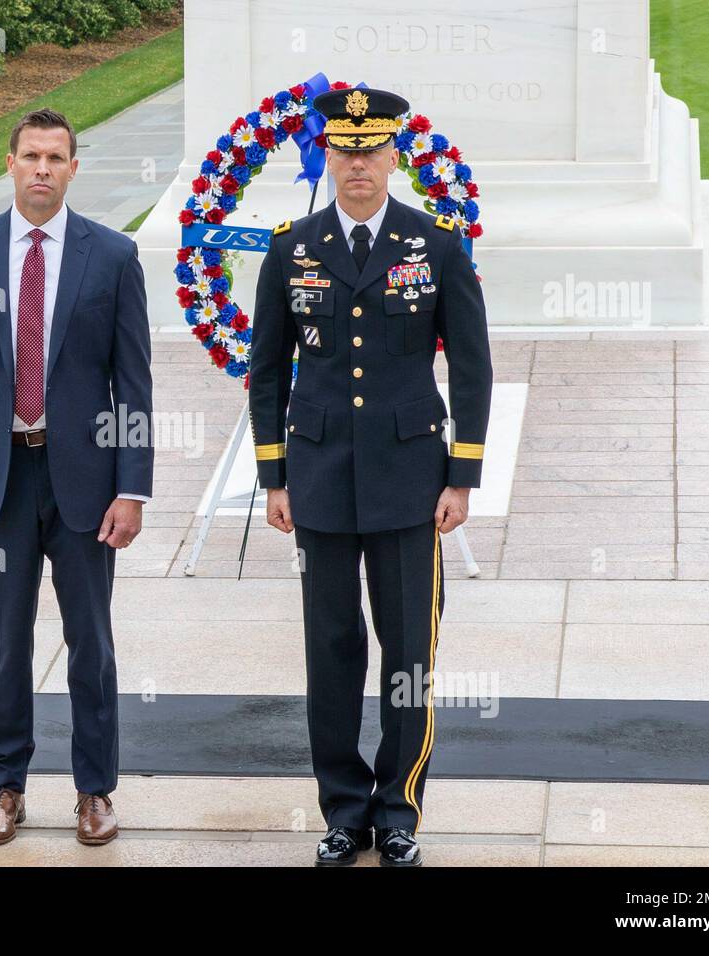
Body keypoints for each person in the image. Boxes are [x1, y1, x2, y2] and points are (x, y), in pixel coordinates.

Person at [247, 85, 493, 866]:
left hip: (409, 480)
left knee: (408, 657)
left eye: (372, 150)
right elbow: (266, 373)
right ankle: (343, 810)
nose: (358, 164)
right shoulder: (292, 247)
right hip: (319, 477)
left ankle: (398, 811)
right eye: (345, 150)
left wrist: (461, 476)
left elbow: (475, 371)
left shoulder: (438, 246)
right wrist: (274, 477)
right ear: (328, 154)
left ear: (395, 155)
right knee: (331, 648)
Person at [0, 108, 154, 847]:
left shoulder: (112, 255)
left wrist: (132, 487)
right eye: (32, 156)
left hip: (85, 485)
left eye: (57, 157)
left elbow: (134, 385)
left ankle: (94, 791)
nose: (44, 169)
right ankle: (5, 785)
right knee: (5, 644)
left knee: (91, 641)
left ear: (74, 168)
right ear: (10, 163)